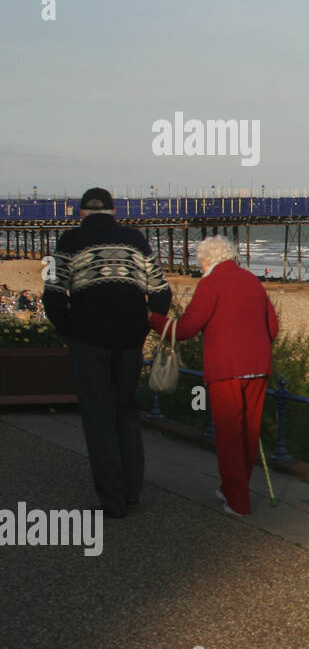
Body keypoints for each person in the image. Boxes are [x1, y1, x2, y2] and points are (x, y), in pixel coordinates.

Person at [42, 188, 172, 518]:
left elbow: (53, 297)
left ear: (81, 212)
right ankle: (132, 491)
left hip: (89, 342)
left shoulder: (67, 242)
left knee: (98, 419)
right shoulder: (137, 240)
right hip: (129, 343)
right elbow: (161, 292)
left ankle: (112, 498)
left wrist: (74, 330)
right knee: (126, 413)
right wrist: (141, 327)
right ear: (114, 210)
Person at [149, 236, 278, 517]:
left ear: (207, 260)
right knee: (248, 432)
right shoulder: (252, 281)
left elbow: (185, 329)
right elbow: (273, 326)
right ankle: (232, 487)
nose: (200, 267)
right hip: (258, 366)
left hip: (226, 369)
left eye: (200, 262)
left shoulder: (210, 284)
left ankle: (238, 501)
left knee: (229, 434)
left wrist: (152, 319)